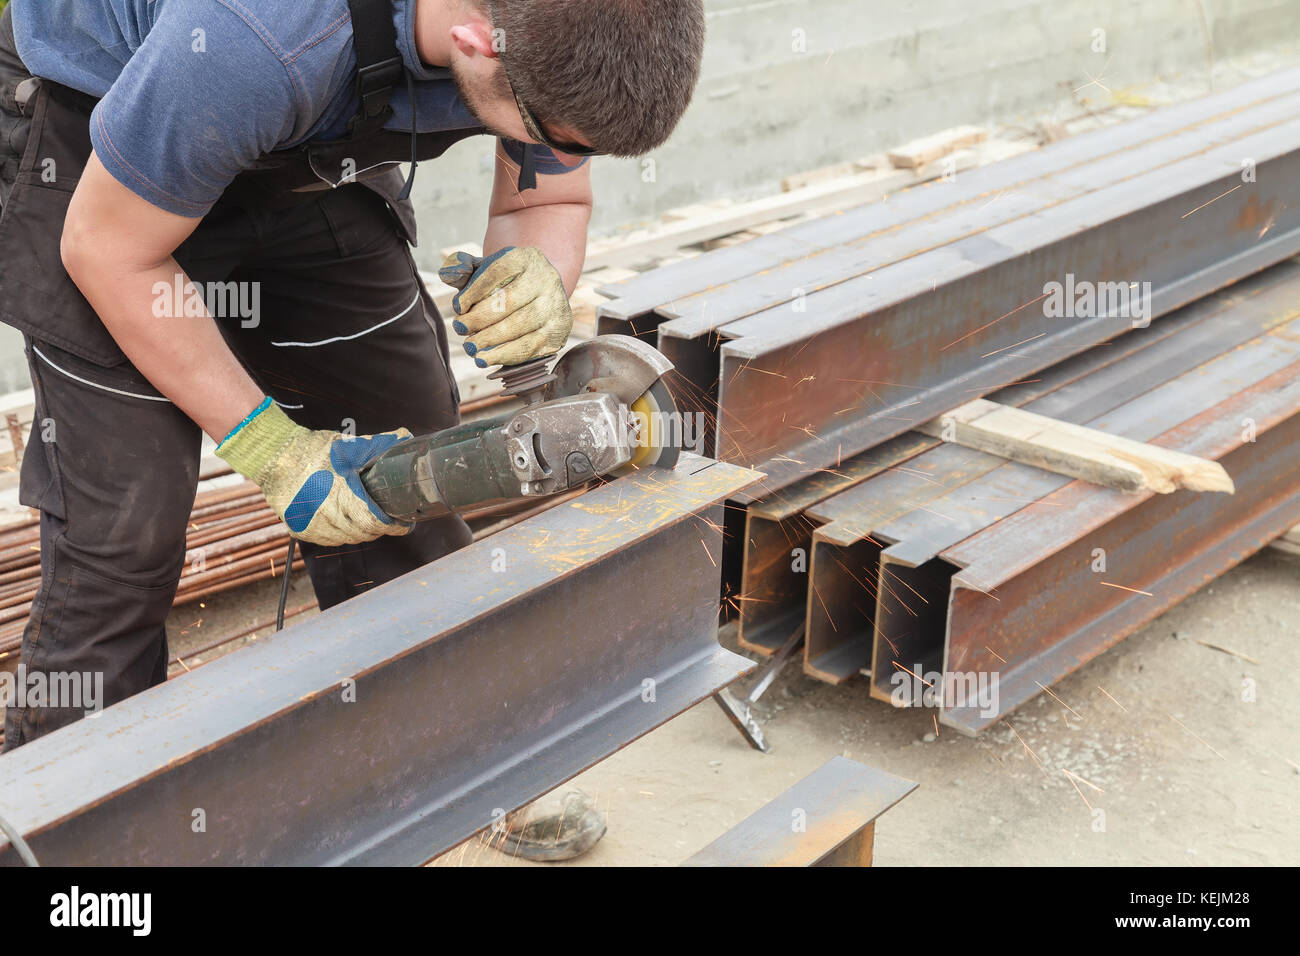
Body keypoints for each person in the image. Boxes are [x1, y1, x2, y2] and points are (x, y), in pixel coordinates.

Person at [0, 0, 704, 855]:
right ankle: (65, 839)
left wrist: (541, 275)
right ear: (480, 42)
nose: (561, 152)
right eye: (554, 131)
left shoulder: (548, 29)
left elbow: (548, 196)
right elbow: (111, 251)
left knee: (416, 457)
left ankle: (462, 762)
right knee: (125, 530)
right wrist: (270, 449)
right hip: (110, 156)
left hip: (298, 155)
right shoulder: (258, 36)